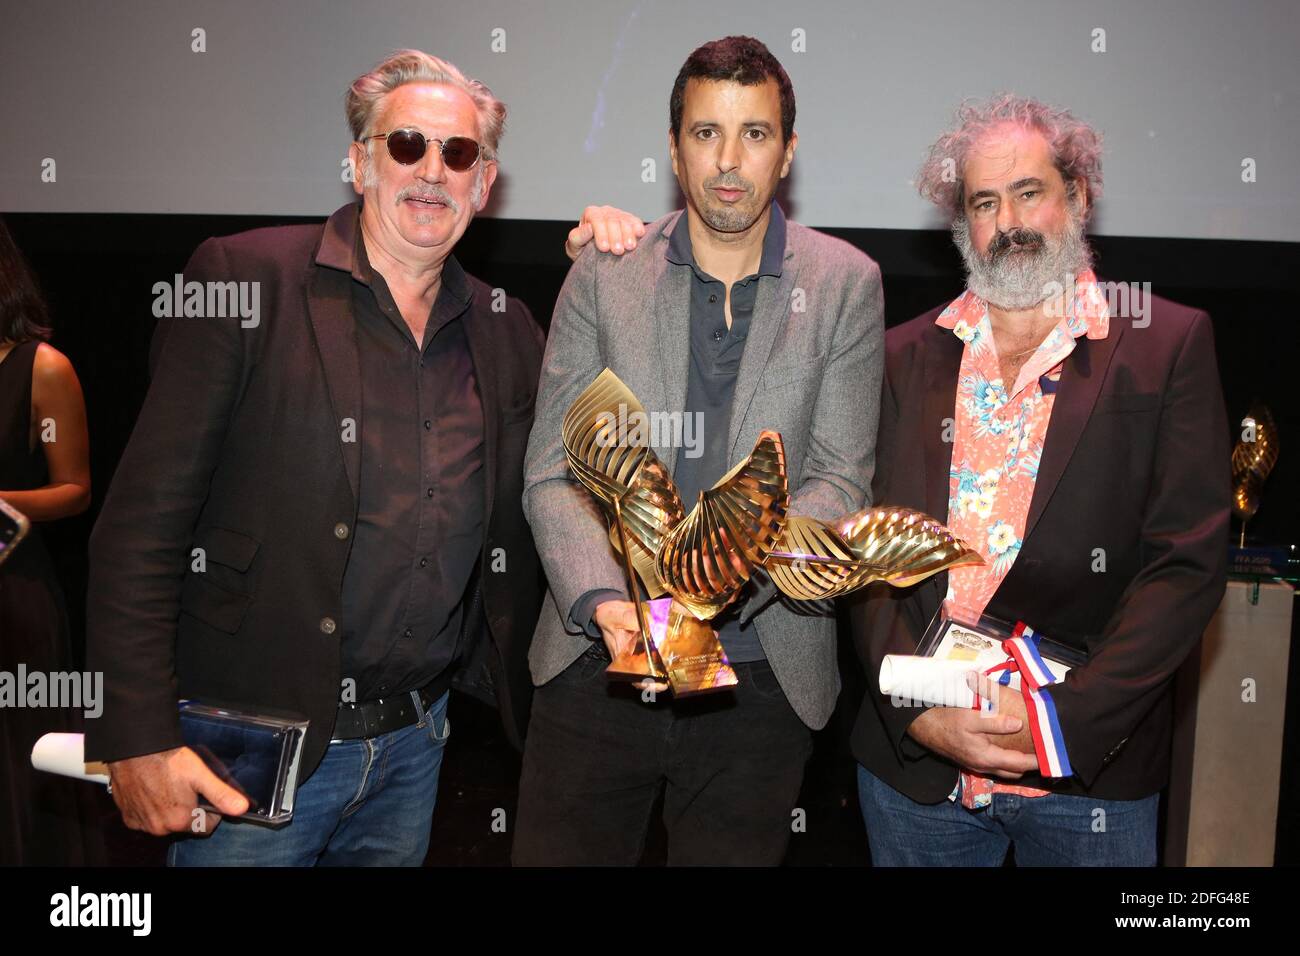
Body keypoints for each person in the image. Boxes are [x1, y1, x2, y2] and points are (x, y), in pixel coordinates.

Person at [84, 50, 545, 866]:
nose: (432, 170)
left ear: (485, 179)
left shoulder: (507, 329)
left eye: (459, 153)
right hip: (253, 753)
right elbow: (139, 531)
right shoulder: (245, 280)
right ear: (360, 161)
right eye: (406, 145)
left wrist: (623, 255)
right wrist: (136, 733)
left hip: (416, 746)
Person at [513, 36, 884, 865]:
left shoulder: (846, 284)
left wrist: (723, 575)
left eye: (755, 134)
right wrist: (609, 607)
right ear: (673, 148)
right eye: (705, 131)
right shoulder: (605, 274)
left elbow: (839, 478)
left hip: (762, 671)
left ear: (788, 152)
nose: (729, 159)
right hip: (596, 660)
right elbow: (552, 472)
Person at [849, 95, 1229, 866]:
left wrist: (1059, 723)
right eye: (985, 202)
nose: (1009, 221)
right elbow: (864, 550)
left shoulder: (1167, 345)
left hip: (1090, 779)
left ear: (1079, 197)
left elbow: (1184, 568)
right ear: (964, 227)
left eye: (1030, 192)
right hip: (917, 777)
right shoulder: (903, 356)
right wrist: (914, 711)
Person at [0, 218, 100, 865]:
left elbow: (76, 489)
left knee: (17, 771)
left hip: (12, 602)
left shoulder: (43, 368)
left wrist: (3, 505)